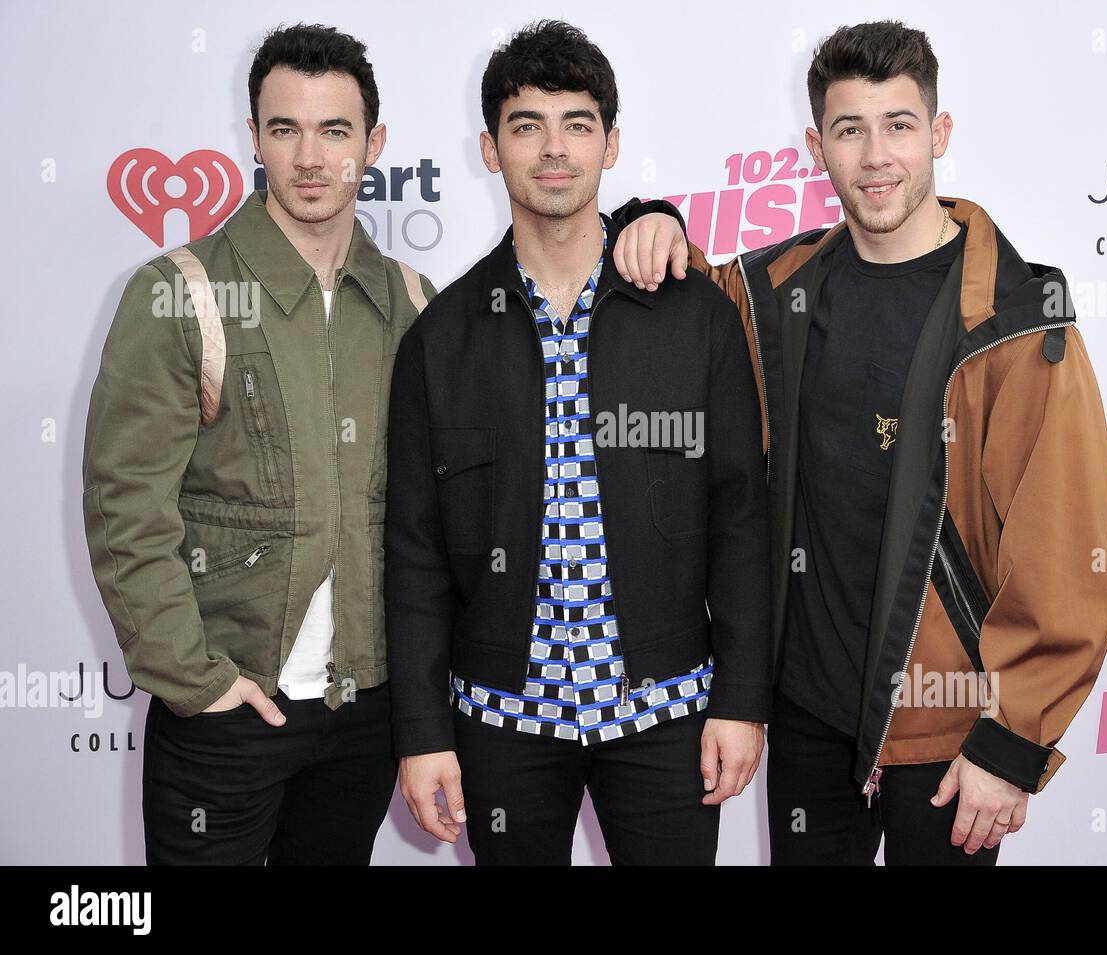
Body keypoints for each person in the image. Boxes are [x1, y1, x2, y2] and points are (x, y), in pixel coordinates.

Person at [612, 19, 1107, 865]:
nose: (876, 155)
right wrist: (650, 216)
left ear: (940, 133)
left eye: (899, 125)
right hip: (809, 717)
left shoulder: (1017, 322)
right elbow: (683, 280)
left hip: (951, 733)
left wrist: (1010, 743)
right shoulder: (776, 293)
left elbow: (1068, 555)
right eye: (850, 130)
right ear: (817, 145)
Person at [385, 20, 770, 865]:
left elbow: (743, 517)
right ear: (491, 148)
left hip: (665, 714)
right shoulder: (441, 338)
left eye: (577, 124)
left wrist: (742, 700)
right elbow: (413, 554)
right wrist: (421, 732)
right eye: (527, 125)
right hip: (500, 723)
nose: (553, 149)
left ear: (611, 142)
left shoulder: (693, 316)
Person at [81, 23, 435, 865]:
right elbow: (126, 505)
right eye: (285, 129)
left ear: (374, 144)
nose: (310, 157)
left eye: (335, 130)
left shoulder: (415, 302)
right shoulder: (178, 292)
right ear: (255, 138)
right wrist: (197, 682)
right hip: (228, 714)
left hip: (365, 713)